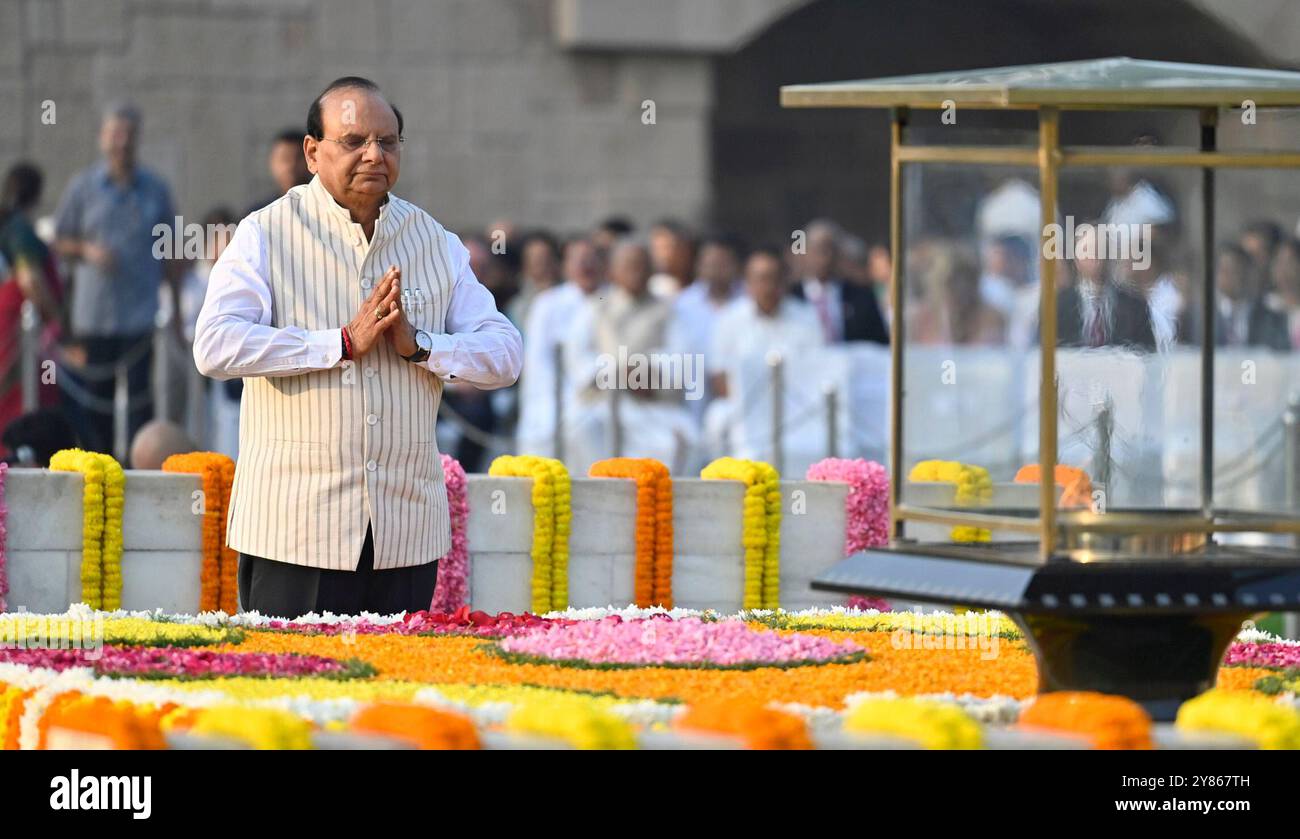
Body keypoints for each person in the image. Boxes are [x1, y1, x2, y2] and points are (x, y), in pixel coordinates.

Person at [192, 76, 522, 618]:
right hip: (295, 529)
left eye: (387, 142)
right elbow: (216, 345)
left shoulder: (435, 242)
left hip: (404, 532)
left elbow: (505, 354)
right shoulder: (265, 233)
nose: (374, 154)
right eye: (353, 141)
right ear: (312, 152)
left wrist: (422, 346)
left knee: (389, 691)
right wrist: (340, 343)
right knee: (294, 695)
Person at [53, 103, 184, 455]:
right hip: (94, 318)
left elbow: (171, 252)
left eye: (127, 135)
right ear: (102, 139)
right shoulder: (82, 188)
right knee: (97, 403)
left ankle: (140, 470)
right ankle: (100, 472)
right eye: (114, 134)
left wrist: (177, 317)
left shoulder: (155, 189)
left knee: (142, 401)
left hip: (140, 317)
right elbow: (59, 240)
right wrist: (86, 250)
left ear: (137, 139)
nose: (121, 143)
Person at [517, 236, 606, 456]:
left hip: (604, 397)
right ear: (565, 265)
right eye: (578, 260)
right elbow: (538, 364)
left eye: (591, 260)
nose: (586, 266)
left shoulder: (612, 299)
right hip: (557, 397)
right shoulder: (548, 303)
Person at [0, 162, 65, 460]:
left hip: (16, 324)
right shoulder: (19, 229)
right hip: (19, 327)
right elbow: (31, 280)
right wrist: (56, 318)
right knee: (21, 400)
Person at [1052, 225, 1154, 351]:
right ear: (1076, 259)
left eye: (1100, 250)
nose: (1095, 256)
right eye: (1086, 250)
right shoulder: (1057, 306)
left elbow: (1149, 354)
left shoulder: (1134, 306)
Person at [792, 219, 889, 344]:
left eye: (830, 249)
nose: (824, 257)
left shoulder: (861, 298)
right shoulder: (791, 296)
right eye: (818, 249)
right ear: (806, 252)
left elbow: (878, 343)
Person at [1212, 243, 1289, 350]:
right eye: (1225, 270)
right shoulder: (1203, 316)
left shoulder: (1270, 317)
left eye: (1236, 270)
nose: (1231, 277)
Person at [245, 128, 312, 216]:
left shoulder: (328, 207)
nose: (291, 165)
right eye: (284, 158)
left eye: (298, 158)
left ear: (312, 159)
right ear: (271, 162)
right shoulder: (258, 215)